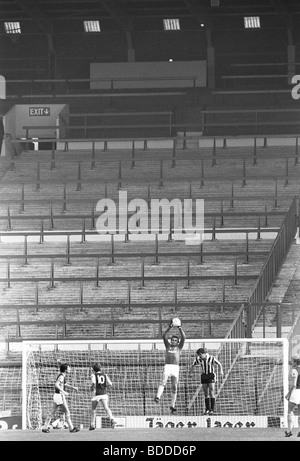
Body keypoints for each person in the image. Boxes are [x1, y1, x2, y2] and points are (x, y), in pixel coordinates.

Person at [154, 320, 186, 414]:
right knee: (163, 381)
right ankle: (157, 397)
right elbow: (164, 335)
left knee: (174, 387)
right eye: (173, 340)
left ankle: (172, 405)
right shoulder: (168, 346)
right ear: (171, 341)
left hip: (175, 368)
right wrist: (170, 327)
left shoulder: (179, 347)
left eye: (176, 340)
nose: (174, 341)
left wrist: (179, 328)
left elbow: (184, 337)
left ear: (178, 342)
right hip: (168, 366)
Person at [42, 362, 79, 433]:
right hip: (60, 396)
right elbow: (56, 385)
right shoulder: (61, 376)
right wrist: (63, 391)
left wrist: (73, 388)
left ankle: (45, 427)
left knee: (52, 412)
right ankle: (71, 428)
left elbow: (64, 384)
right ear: (65, 369)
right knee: (67, 412)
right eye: (69, 367)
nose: (70, 369)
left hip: (56, 395)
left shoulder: (62, 376)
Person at [189, 347, 224, 415]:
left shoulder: (211, 358)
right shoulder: (199, 359)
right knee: (206, 393)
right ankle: (207, 409)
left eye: (200, 355)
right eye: (199, 355)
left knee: (211, 390)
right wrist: (191, 372)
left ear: (204, 354)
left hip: (211, 375)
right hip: (204, 375)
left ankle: (212, 409)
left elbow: (219, 364)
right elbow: (193, 365)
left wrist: (221, 371)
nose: (199, 356)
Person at [89, 363, 117, 430]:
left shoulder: (93, 375)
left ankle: (92, 424)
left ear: (94, 370)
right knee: (106, 408)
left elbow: (93, 383)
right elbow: (110, 384)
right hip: (104, 394)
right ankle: (112, 419)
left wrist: (91, 387)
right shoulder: (105, 375)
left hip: (97, 394)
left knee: (93, 409)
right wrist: (104, 386)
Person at [284, 354, 300, 437]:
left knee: (290, 411)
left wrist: (288, 393)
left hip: (296, 392)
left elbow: (294, 384)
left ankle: (289, 431)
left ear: (294, 361)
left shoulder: (295, 370)